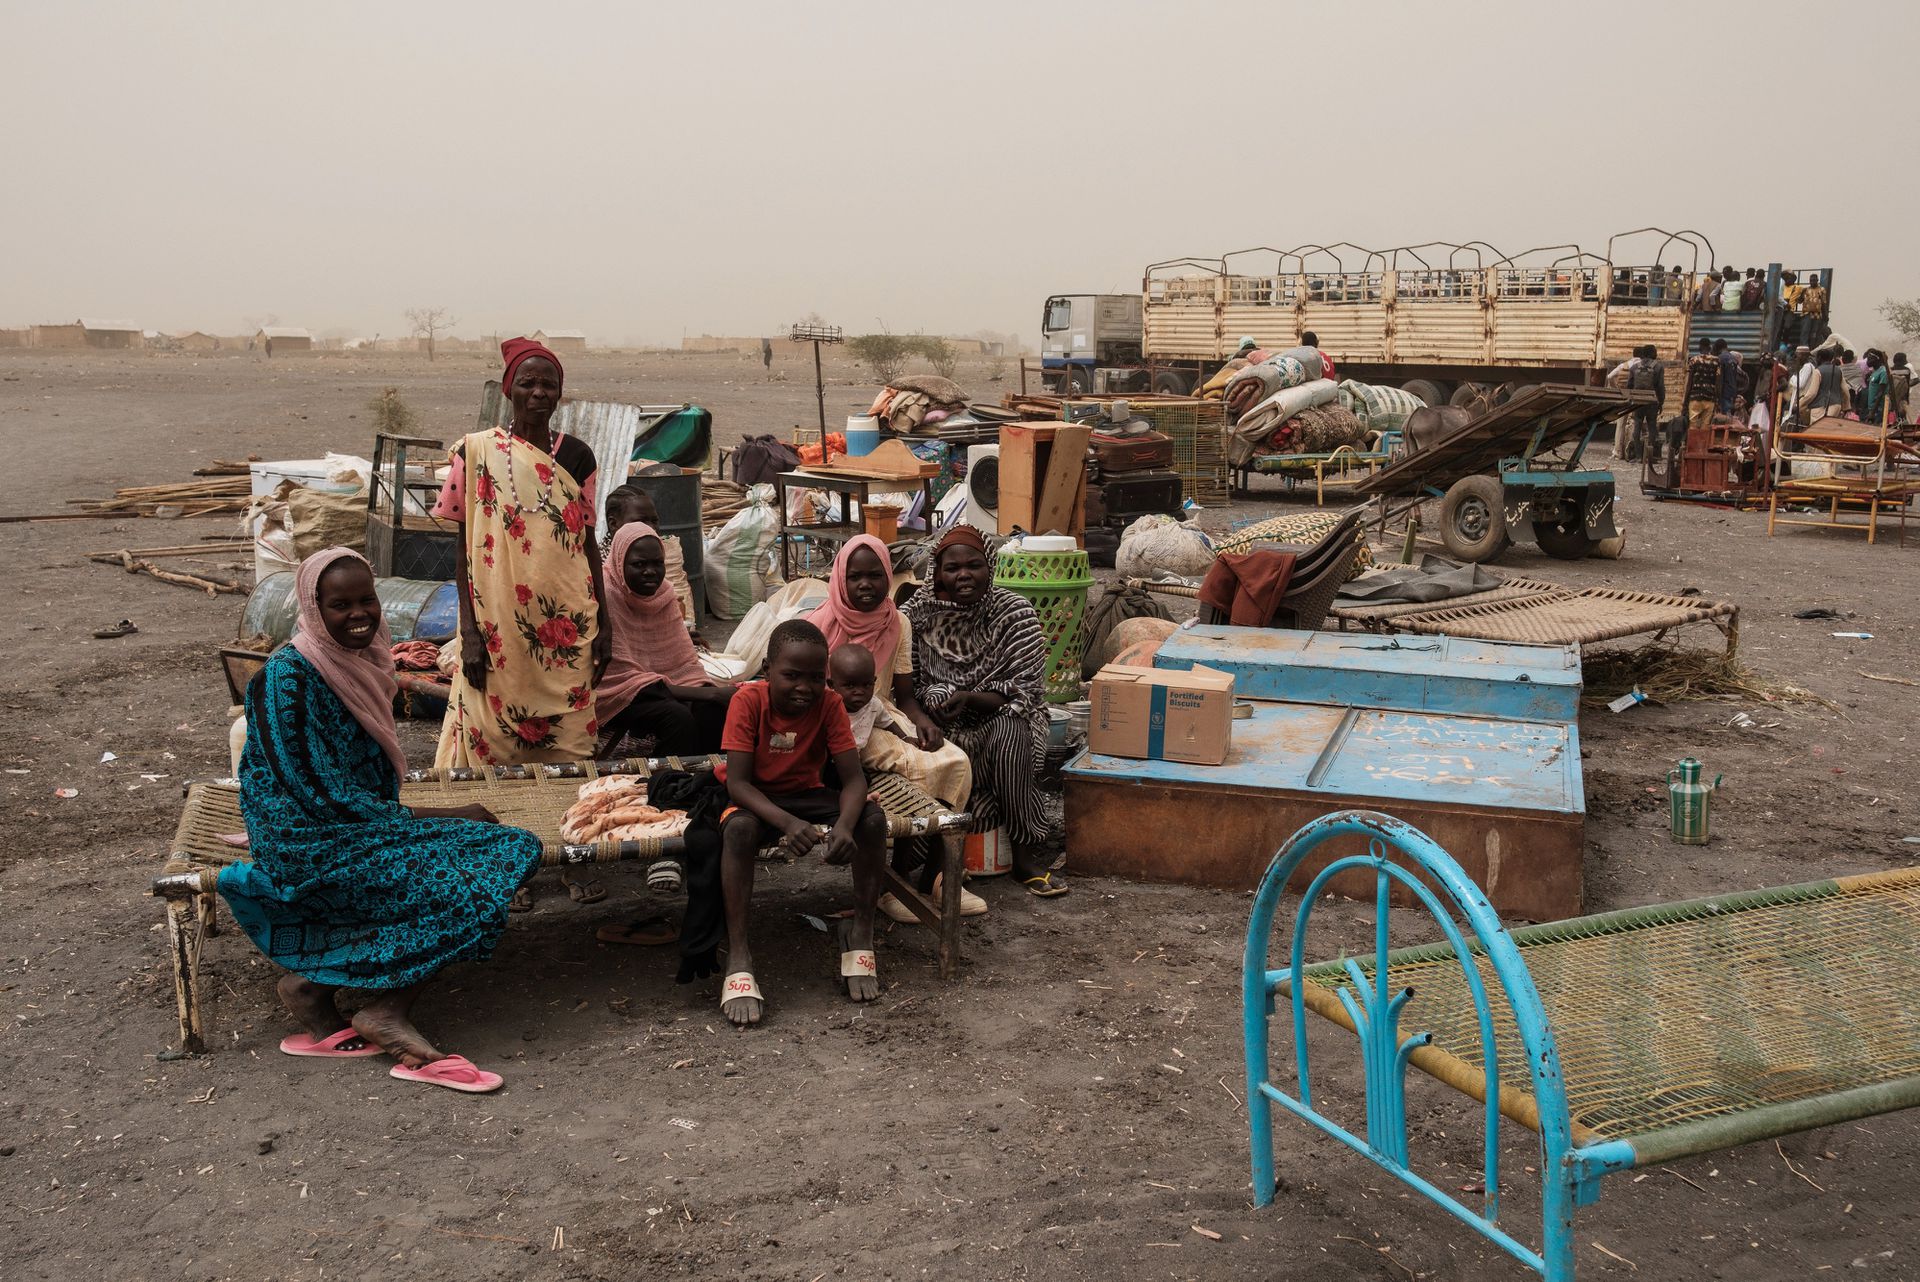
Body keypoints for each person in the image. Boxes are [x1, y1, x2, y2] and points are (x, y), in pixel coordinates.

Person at [217, 548, 539, 1093]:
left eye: (367, 600)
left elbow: (361, 789)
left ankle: (314, 988)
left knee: (515, 848)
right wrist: (442, 811)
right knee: (460, 888)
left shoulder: (365, 661)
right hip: (307, 839)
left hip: (363, 826)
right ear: (314, 609)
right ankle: (386, 1009)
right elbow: (323, 796)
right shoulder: (286, 679)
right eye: (339, 604)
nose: (358, 613)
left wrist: (420, 820)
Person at [432, 337, 610, 769]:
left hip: (566, 618)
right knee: (492, 736)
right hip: (497, 622)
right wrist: (469, 635)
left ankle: (563, 812)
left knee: (572, 743)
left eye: (548, 385)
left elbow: (587, 542)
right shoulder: (474, 454)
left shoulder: (578, 455)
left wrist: (606, 622)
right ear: (509, 389)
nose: (538, 393)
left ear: (560, 393)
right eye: (527, 383)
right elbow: (463, 551)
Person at [715, 619, 887, 1026]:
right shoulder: (748, 701)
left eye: (814, 677)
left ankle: (861, 931)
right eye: (791, 675)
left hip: (808, 794)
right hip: (757, 794)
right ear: (767, 668)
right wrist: (789, 823)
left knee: (873, 821)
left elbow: (853, 779)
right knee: (738, 830)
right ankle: (739, 953)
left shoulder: (828, 704)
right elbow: (738, 784)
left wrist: (844, 826)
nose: (804, 688)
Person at [904, 526, 1065, 898]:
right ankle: (937, 860)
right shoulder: (916, 616)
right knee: (922, 748)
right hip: (941, 720)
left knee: (1012, 733)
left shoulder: (1013, 612)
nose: (964, 575)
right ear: (938, 572)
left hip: (1003, 717)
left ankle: (1025, 858)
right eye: (952, 568)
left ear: (989, 568)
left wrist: (968, 697)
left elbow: (1026, 691)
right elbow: (907, 687)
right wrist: (936, 706)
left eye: (974, 565)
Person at [827, 643, 983, 923]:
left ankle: (933, 876)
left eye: (865, 685)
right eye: (849, 686)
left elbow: (888, 720)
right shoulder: (828, 705)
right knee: (894, 778)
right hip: (833, 765)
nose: (858, 692)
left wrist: (906, 737)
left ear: (873, 684)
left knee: (950, 763)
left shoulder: (872, 702)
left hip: (857, 763)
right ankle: (893, 883)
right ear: (832, 683)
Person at [596, 521, 734, 759]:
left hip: (658, 687)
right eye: (639, 564)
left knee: (713, 712)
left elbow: (684, 663)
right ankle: (668, 785)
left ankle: (709, 780)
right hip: (619, 692)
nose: (650, 572)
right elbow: (620, 675)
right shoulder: (608, 595)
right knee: (677, 719)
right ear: (620, 563)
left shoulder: (665, 594)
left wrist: (707, 695)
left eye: (657, 563)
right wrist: (710, 693)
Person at [807, 534, 945, 749]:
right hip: (824, 719)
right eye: (854, 577)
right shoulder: (818, 624)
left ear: (888, 576)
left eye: (874, 576)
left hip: (879, 715)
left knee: (953, 760)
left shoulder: (897, 623)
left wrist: (923, 720)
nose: (865, 585)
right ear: (841, 579)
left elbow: (905, 697)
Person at [603, 483, 695, 629]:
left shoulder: (653, 555)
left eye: (654, 521)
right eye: (640, 521)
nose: (650, 528)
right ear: (613, 523)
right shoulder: (601, 570)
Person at [1681, 337, 1722, 456]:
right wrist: (1717, 399)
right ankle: (1702, 451)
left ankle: (1692, 451)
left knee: (1693, 425)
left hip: (1695, 398)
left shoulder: (1694, 360)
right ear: (1709, 347)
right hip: (1710, 399)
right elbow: (1718, 382)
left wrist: (1685, 401)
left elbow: (1689, 383)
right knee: (1705, 426)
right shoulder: (1716, 361)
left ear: (1700, 347)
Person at [1862, 351, 1891, 427]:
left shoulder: (1883, 372)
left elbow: (1881, 392)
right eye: (1868, 359)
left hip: (1879, 409)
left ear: (1877, 359)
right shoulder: (1874, 372)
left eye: (1870, 359)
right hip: (1872, 408)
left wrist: (1873, 412)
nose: (1868, 362)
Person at [1713, 339, 1741, 416]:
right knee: (1729, 416)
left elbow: (1720, 378)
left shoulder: (1720, 359)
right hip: (1732, 392)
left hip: (1724, 393)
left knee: (1723, 418)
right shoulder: (1733, 359)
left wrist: (1717, 394)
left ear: (1717, 348)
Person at [1890, 352, 1912, 425]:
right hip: (1903, 395)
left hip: (1893, 395)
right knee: (1902, 414)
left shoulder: (1890, 370)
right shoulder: (1907, 370)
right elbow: (1907, 386)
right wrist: (1907, 398)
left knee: (1893, 413)